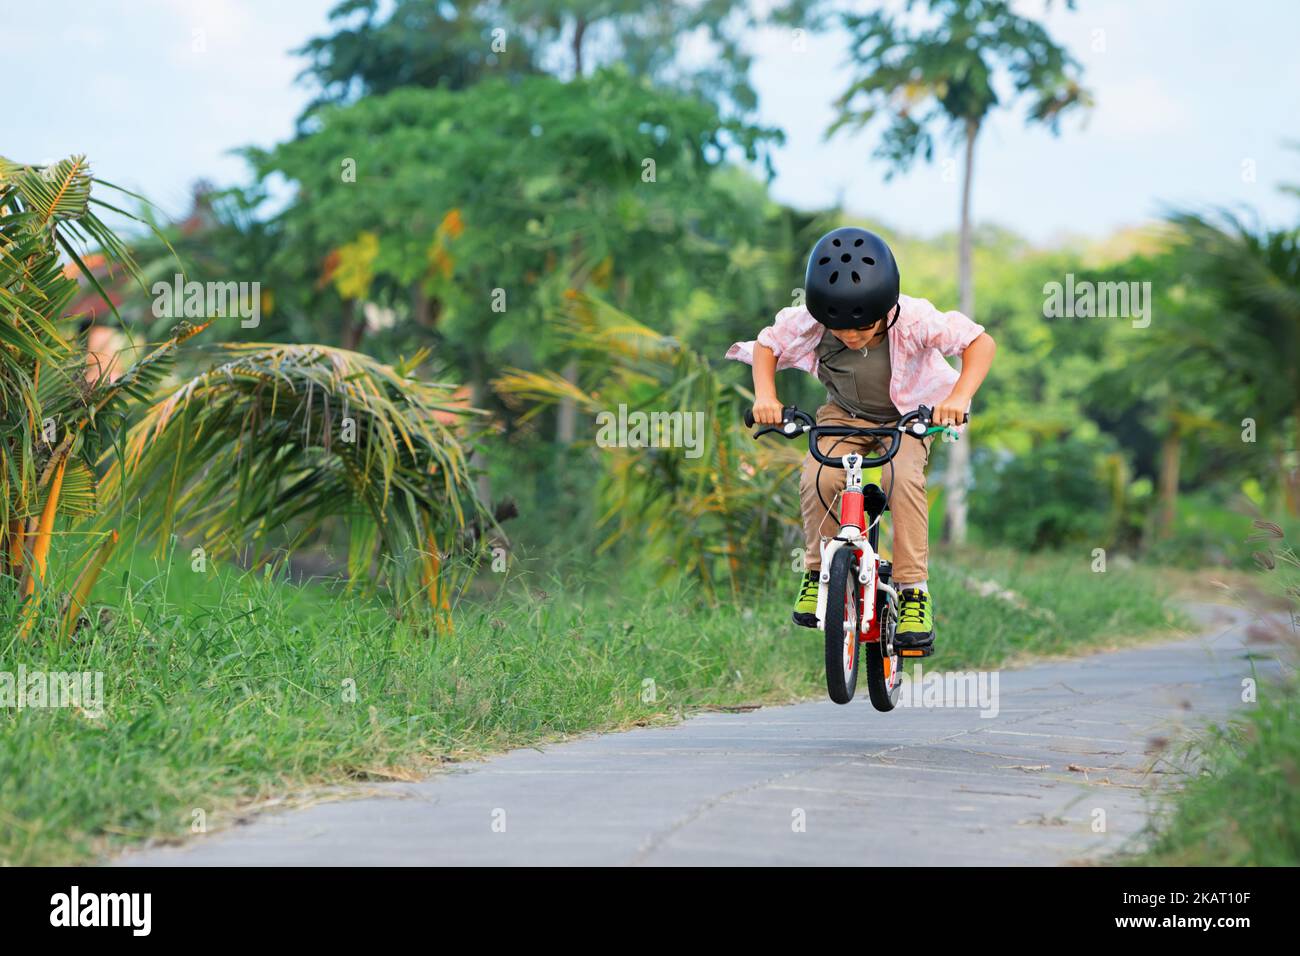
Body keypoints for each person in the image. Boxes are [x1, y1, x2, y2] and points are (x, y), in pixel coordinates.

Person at [726, 226, 996, 653]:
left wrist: (959, 396)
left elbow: (979, 343)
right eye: (839, 328)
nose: (850, 336)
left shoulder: (916, 318)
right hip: (844, 417)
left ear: (887, 308)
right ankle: (818, 575)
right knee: (820, 476)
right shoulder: (812, 321)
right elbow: (767, 344)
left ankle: (913, 592)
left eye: (863, 327)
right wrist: (766, 396)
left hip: (910, 419)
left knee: (900, 479)